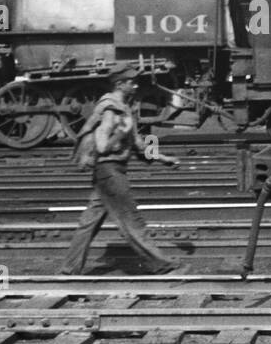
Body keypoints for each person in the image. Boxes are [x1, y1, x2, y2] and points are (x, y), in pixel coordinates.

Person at [58, 64, 183, 275]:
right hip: (110, 171)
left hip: (108, 173)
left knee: (89, 223)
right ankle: (162, 265)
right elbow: (102, 146)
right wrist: (120, 133)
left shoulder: (125, 107)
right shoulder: (111, 109)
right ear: (120, 84)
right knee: (131, 219)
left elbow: (139, 144)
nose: (135, 85)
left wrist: (163, 158)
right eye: (131, 82)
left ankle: (68, 270)